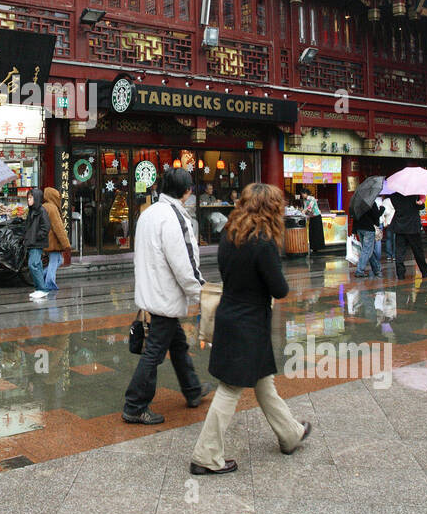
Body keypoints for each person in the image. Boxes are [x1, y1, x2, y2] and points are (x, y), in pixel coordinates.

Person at [190, 182, 310, 473]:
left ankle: (290, 433)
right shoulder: (264, 241)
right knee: (230, 388)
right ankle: (206, 456)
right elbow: (279, 289)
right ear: (270, 208)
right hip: (250, 325)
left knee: (263, 383)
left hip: (231, 317)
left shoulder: (229, 235)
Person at [121, 168, 212, 425]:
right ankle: (135, 404)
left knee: (178, 344)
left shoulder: (148, 213)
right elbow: (184, 263)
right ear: (187, 191)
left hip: (152, 292)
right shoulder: (174, 218)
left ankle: (192, 390)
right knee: (154, 353)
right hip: (166, 296)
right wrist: (200, 293)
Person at [388, 192, 427, 279]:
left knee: (399, 251)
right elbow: (420, 207)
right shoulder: (414, 193)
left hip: (400, 226)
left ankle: (400, 274)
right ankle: (425, 271)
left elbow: (396, 206)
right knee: (418, 251)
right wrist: (420, 202)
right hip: (412, 226)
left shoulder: (394, 195)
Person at [41, 186, 70, 292]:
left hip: (46, 240)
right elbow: (58, 228)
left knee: (58, 260)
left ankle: (41, 277)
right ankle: (49, 283)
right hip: (53, 241)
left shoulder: (44, 206)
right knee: (54, 261)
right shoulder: (53, 208)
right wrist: (66, 243)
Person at [24, 187, 49, 299]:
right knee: (36, 265)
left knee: (33, 264)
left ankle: (42, 289)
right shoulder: (32, 211)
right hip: (32, 242)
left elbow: (46, 227)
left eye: (30, 197)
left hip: (37, 242)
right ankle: (40, 288)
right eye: (28, 198)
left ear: (36, 198)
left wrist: (36, 237)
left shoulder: (41, 211)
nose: (28, 200)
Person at [353, 200, 383, 278]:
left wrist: (354, 230)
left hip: (359, 228)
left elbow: (355, 216)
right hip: (368, 229)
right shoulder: (371, 202)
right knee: (366, 250)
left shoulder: (358, 203)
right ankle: (360, 270)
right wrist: (382, 209)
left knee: (368, 249)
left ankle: (376, 269)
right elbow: (376, 215)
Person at [379, 194, 396, 265]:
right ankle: (395, 255)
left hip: (388, 221)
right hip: (395, 221)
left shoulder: (385, 201)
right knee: (395, 239)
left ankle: (389, 255)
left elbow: (384, 212)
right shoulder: (395, 200)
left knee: (388, 239)